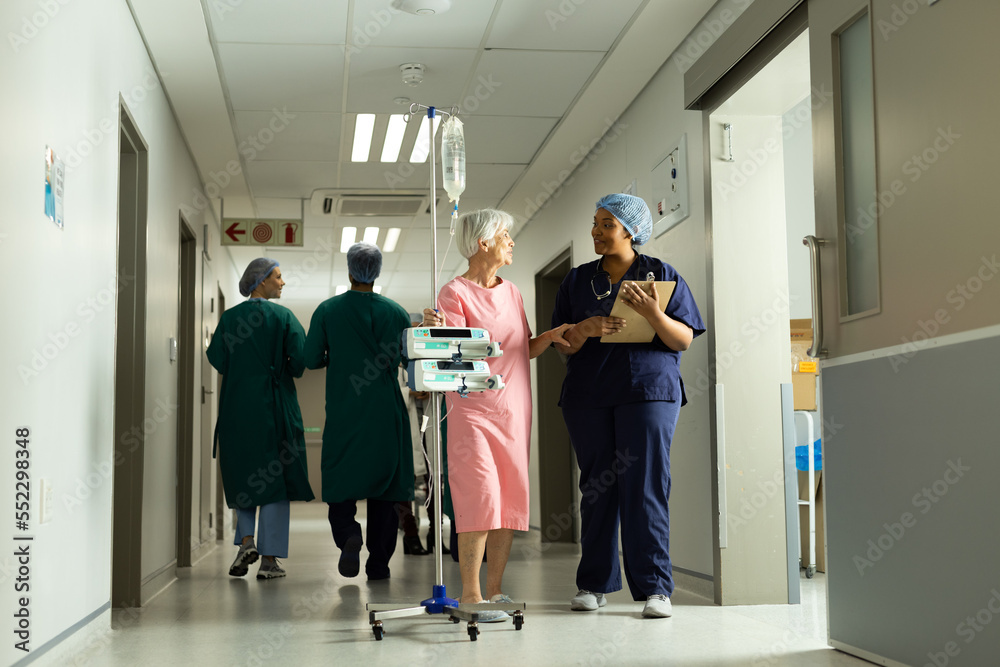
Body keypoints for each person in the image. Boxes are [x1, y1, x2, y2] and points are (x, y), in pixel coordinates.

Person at [552, 194, 705, 619]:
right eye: (595, 223)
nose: (596, 232)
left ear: (630, 231)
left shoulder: (662, 275)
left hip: (649, 391)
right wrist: (584, 329)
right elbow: (561, 344)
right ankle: (593, 584)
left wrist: (654, 313)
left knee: (646, 486)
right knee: (597, 487)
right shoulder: (577, 281)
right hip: (589, 394)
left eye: (606, 224)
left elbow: (683, 339)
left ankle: (656, 589)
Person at [422, 208, 572, 621]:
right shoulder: (454, 293)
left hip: (513, 411)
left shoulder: (513, 292)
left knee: (507, 496)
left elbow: (521, 347)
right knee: (481, 494)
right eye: (505, 235)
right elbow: (451, 357)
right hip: (473, 410)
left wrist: (550, 337)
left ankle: (496, 590)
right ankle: (470, 594)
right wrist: (434, 329)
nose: (511, 241)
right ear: (483, 243)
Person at [304, 243, 413, 580]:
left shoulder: (327, 310)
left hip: (344, 409)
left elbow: (309, 359)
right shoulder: (396, 312)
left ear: (350, 271)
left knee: (340, 483)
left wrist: (333, 357)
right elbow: (410, 362)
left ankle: (349, 535)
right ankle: (378, 564)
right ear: (376, 273)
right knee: (387, 491)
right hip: (386, 412)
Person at [207, 258, 314, 580]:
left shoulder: (230, 318)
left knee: (244, 475)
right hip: (275, 408)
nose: (282, 283)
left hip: (238, 410)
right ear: (260, 280)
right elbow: (298, 364)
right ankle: (268, 561)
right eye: (278, 277)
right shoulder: (283, 317)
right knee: (275, 481)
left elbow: (219, 360)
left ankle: (246, 542)